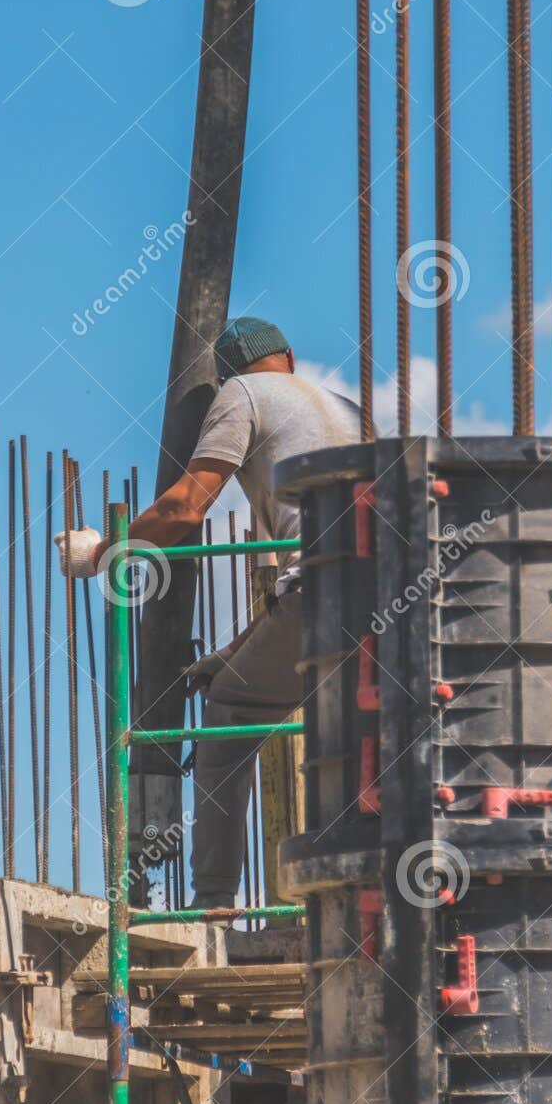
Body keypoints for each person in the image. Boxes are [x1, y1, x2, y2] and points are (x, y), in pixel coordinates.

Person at [56, 316, 360, 907]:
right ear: (290, 356)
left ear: (224, 375)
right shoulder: (348, 408)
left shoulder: (240, 396)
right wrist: (233, 651)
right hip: (396, 596)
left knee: (231, 717)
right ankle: (357, 888)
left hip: (325, 595)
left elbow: (185, 509)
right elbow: (294, 581)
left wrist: (102, 553)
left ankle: (214, 898)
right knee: (357, 732)